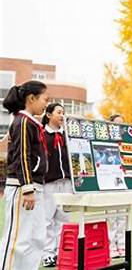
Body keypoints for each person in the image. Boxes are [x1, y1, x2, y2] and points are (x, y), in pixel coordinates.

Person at [0, 80, 49, 270]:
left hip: (35, 187)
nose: (46, 104)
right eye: (45, 99)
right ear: (31, 98)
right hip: (23, 188)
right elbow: (22, 156)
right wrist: (27, 187)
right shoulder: (22, 121)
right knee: (17, 240)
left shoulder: (32, 123)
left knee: (36, 237)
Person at [41, 103, 72, 267]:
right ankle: (47, 254)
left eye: (63, 112)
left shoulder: (67, 136)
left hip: (66, 183)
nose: (62, 115)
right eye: (59, 112)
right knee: (47, 220)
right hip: (49, 184)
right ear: (48, 115)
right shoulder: (41, 135)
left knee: (64, 219)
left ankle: (62, 253)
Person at [107, 114, 127, 258]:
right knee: (112, 217)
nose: (120, 127)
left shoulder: (128, 144)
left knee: (123, 217)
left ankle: (121, 245)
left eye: (122, 124)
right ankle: (111, 245)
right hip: (109, 185)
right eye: (117, 124)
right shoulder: (105, 143)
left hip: (123, 185)